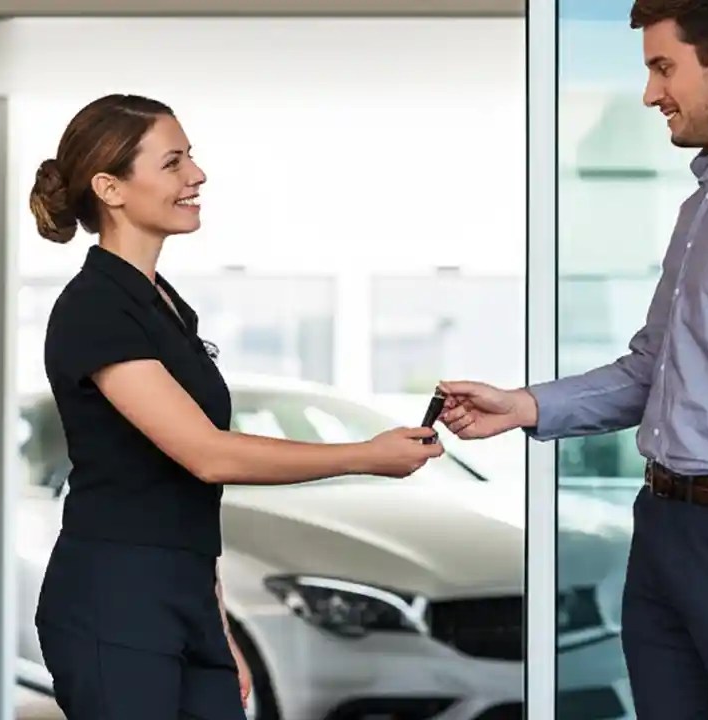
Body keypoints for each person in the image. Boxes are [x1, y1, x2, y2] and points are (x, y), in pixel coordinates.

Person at [438, 1, 708, 717]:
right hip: (665, 530)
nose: (650, 93)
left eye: (663, 67)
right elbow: (654, 370)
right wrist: (522, 406)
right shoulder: (706, 204)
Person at [27, 94, 444, 720]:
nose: (196, 175)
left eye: (190, 158)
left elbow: (175, 497)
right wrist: (364, 454)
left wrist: (214, 617)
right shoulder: (94, 308)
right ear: (110, 188)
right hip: (115, 597)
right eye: (173, 163)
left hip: (184, 594)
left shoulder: (162, 303)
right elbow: (206, 455)